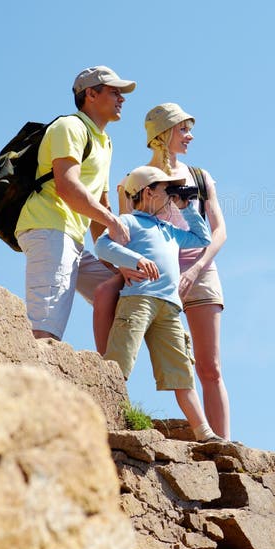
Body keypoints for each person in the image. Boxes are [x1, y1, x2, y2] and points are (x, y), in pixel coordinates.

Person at [93, 102, 230, 439]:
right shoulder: (135, 181)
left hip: (198, 270)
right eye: (183, 129)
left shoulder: (199, 178)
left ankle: (220, 444)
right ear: (163, 133)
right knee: (113, 316)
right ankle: (103, 396)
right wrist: (126, 266)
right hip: (151, 280)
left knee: (209, 367)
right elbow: (120, 233)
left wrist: (195, 270)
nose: (189, 136)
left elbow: (218, 232)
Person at [15, 65, 136, 341]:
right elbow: (67, 187)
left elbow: (100, 207)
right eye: (114, 92)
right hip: (50, 229)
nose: (122, 98)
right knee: (46, 329)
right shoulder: (70, 126)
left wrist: (114, 260)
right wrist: (113, 222)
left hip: (72, 239)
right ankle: (34, 369)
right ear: (91, 94)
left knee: (120, 294)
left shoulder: (104, 142)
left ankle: (108, 366)